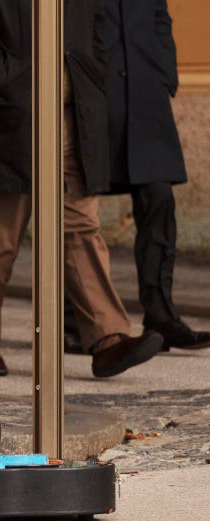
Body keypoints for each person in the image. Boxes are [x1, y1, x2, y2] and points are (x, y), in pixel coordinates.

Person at [0, 0, 163, 377]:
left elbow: (97, 23)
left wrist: (93, 72)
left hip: (74, 116)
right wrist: (9, 79)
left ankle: (108, 338)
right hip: (14, 116)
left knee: (81, 225)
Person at [64, 0, 209, 353]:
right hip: (96, 100)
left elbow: (160, 17)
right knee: (80, 211)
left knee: (159, 198)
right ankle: (75, 321)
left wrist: (165, 76)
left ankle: (161, 315)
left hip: (146, 98)